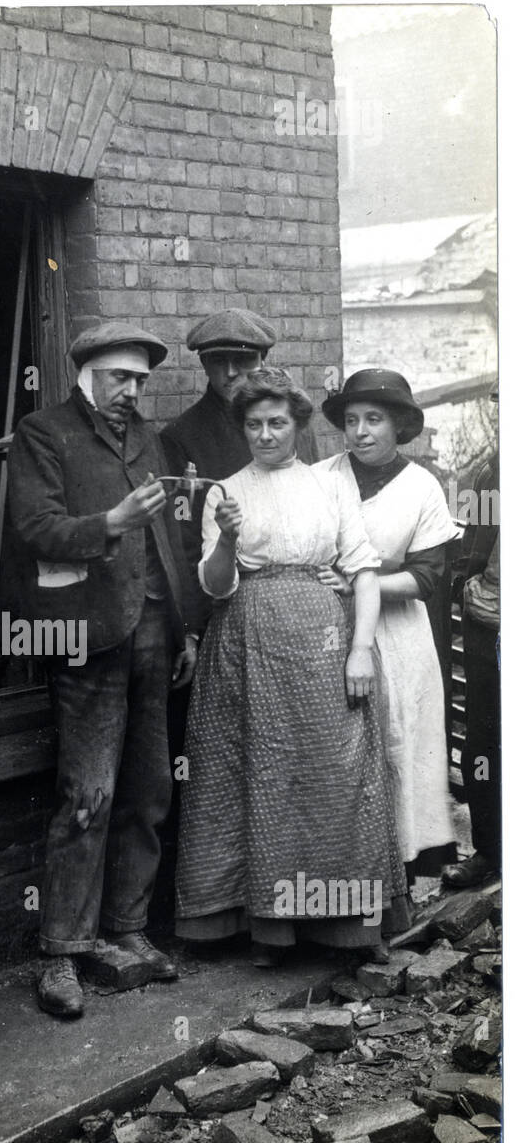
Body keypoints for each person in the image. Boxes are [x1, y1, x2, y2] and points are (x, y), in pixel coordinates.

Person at [174, 367, 407, 967]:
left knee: (337, 773)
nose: (266, 434)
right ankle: (268, 931)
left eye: (278, 422)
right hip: (246, 649)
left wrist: (359, 649)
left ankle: (349, 929)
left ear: (299, 425)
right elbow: (215, 588)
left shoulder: (331, 486)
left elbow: (363, 571)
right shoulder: (225, 492)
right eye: (254, 424)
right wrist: (225, 540)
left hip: (325, 645)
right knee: (254, 778)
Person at [8, 322, 200, 1016]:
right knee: (87, 793)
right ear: (86, 373)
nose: (132, 390)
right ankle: (60, 953)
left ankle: (128, 930)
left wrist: (183, 629)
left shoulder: (147, 437)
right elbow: (35, 527)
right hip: (88, 635)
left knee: (148, 787)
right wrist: (111, 520)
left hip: (152, 629)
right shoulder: (43, 432)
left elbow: (172, 540)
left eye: (140, 380)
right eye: (120, 377)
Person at [319, 370, 462, 883]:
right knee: (339, 743)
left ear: (398, 425)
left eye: (374, 420)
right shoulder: (322, 477)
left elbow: (425, 578)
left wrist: (357, 583)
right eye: (352, 420)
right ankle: (346, 862)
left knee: (400, 738)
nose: (360, 432)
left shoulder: (422, 486)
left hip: (398, 635)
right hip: (330, 630)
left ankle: (402, 863)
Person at [442, 394, 500, 887]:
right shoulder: (487, 474)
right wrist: (468, 585)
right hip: (491, 624)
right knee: (483, 741)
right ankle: (490, 851)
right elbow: (466, 547)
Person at [160, 307, 317, 482]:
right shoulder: (181, 437)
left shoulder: (295, 422)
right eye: (219, 361)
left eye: (243, 359)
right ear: (205, 364)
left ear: (262, 359)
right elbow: (180, 507)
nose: (231, 372)